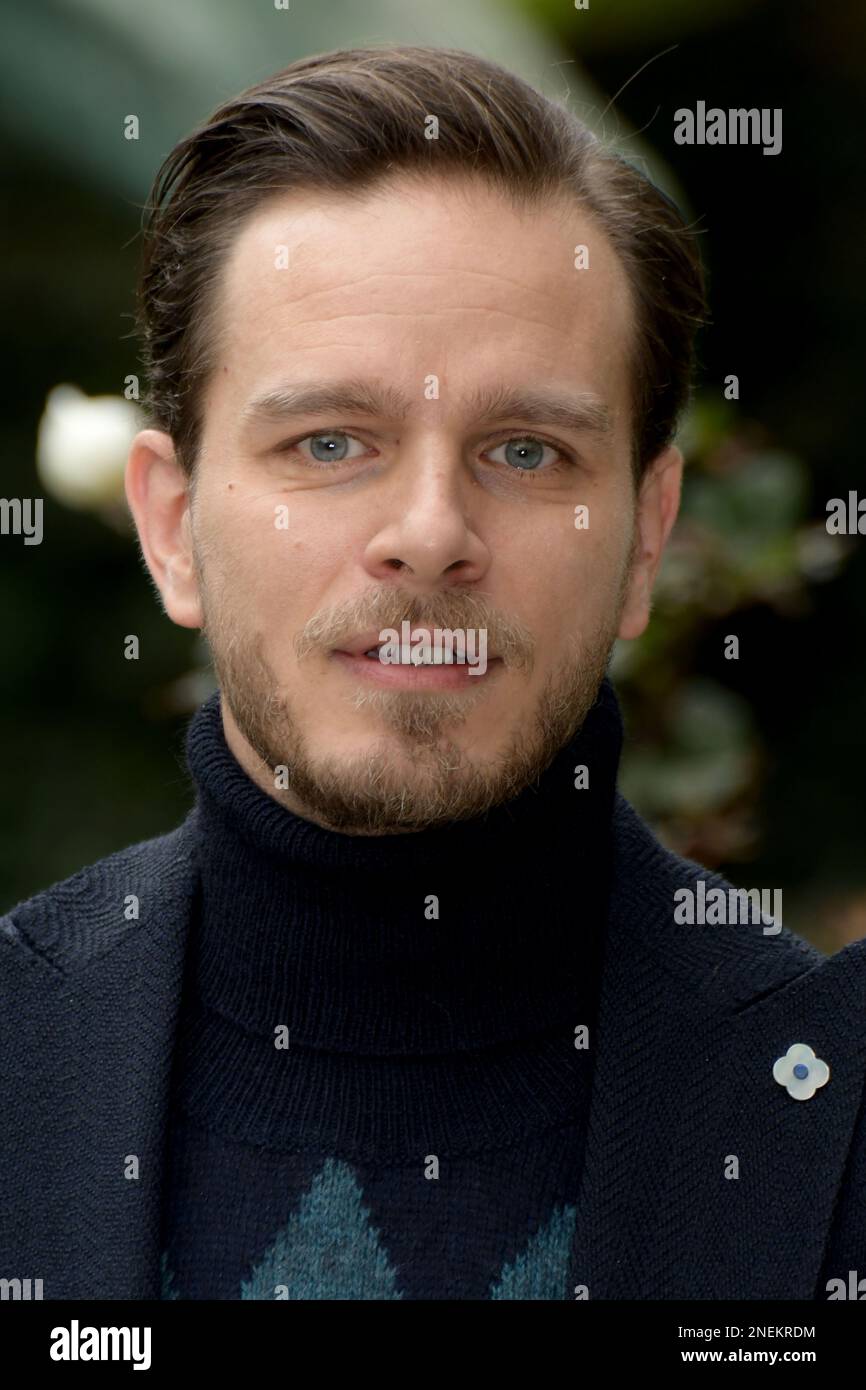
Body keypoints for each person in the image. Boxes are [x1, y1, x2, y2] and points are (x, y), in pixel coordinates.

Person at [3, 45, 865, 1302]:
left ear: (646, 534)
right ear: (171, 525)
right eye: (330, 440)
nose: (430, 529)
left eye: (523, 449)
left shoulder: (830, 1123)